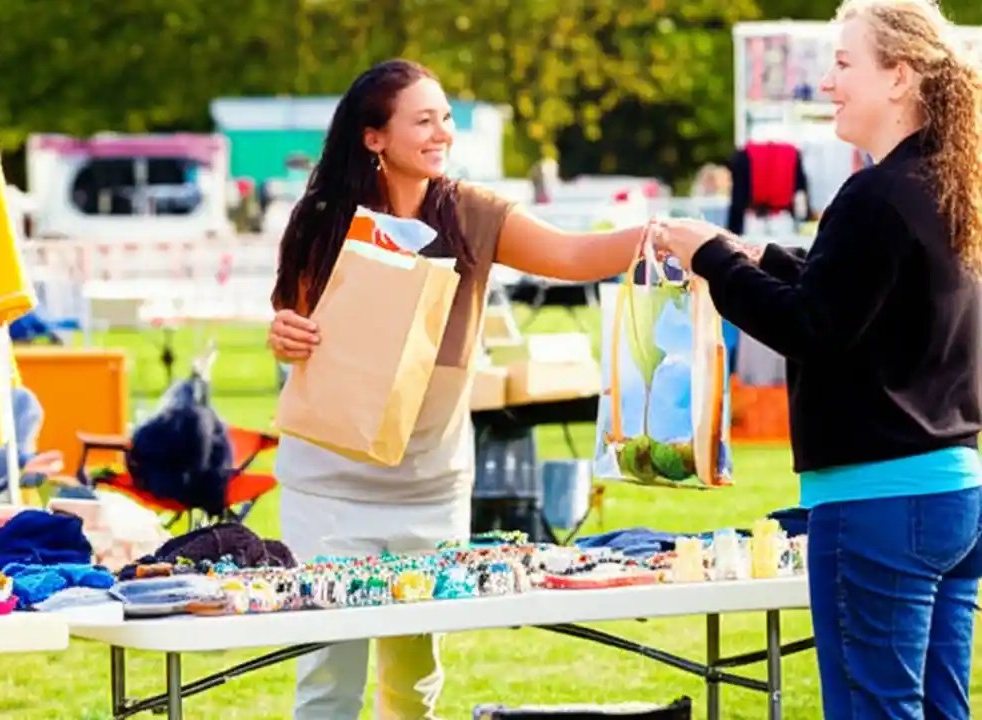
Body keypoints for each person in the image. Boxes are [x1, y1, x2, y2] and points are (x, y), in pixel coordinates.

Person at [266, 58, 646, 719]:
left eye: (446, 117)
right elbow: (294, 326)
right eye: (424, 119)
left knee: (413, 682)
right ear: (374, 136)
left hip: (429, 481)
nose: (442, 132)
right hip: (328, 485)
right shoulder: (322, 219)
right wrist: (284, 335)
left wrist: (664, 239)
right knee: (329, 676)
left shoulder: (475, 214)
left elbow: (573, 257)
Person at [649, 1, 982, 717]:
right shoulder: (945, 186)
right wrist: (756, 254)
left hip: (879, 501)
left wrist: (710, 257)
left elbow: (814, 325)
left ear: (898, 76)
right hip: (952, 494)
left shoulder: (878, 193)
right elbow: (857, 287)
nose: (826, 84)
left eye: (842, 64)